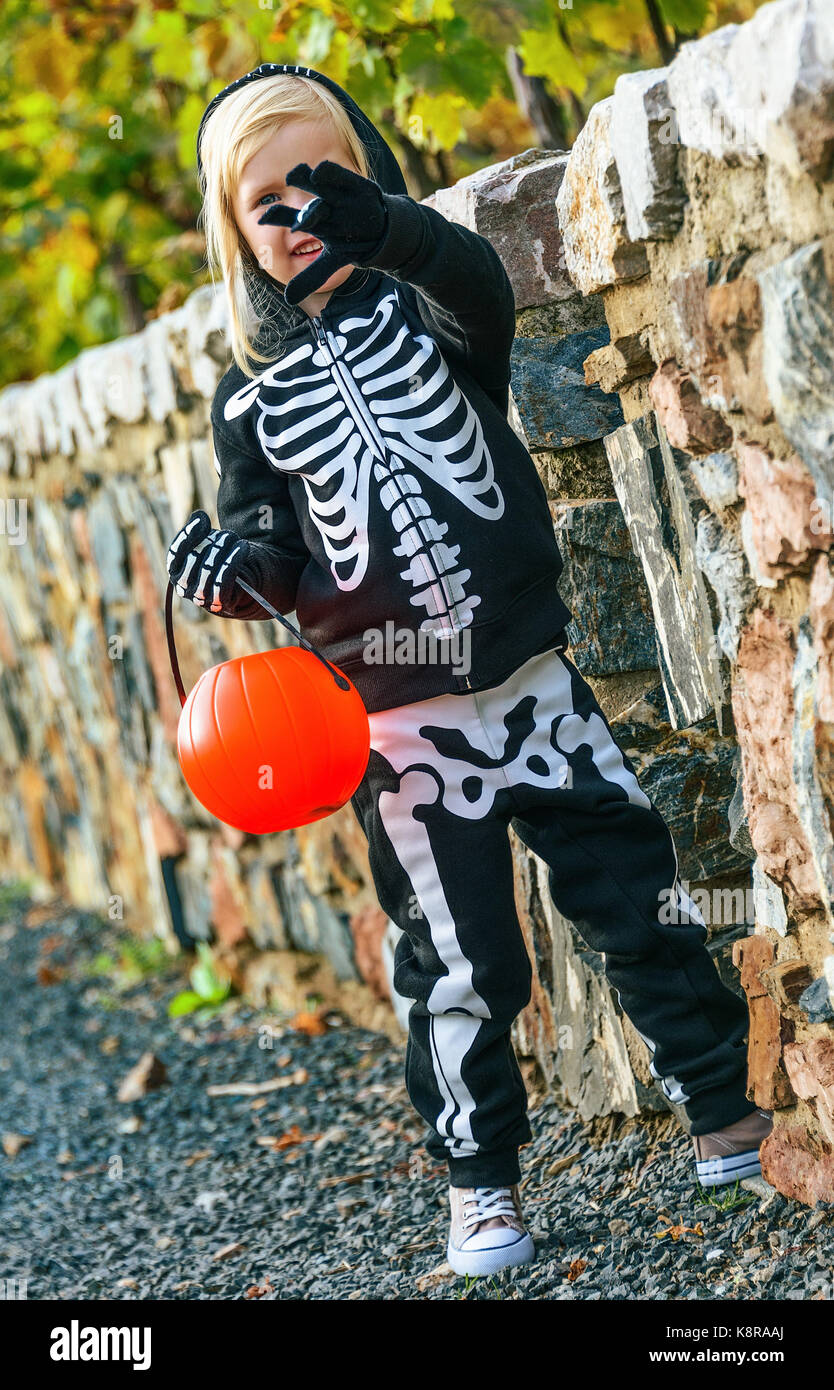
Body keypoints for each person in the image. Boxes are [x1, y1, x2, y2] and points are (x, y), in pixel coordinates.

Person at [166, 63, 772, 1279]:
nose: (301, 214)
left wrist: (391, 230)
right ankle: (480, 1181)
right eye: (268, 202)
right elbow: (276, 559)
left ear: (371, 180)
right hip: (402, 740)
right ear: (233, 236)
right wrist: (232, 575)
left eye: (322, 182)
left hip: (533, 689)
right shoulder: (247, 407)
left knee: (639, 899)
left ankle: (720, 1106)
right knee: (459, 968)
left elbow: (478, 280)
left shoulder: (431, 316)